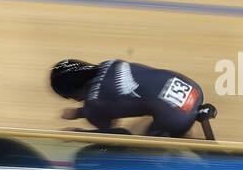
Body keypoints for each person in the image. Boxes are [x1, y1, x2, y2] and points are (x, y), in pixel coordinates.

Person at [50, 58, 207, 138]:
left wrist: (77, 133)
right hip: (192, 87)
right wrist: (79, 113)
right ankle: (184, 132)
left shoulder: (93, 104)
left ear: (73, 93)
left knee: (142, 148)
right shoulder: (109, 63)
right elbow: (112, 96)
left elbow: (116, 134)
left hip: (176, 117)